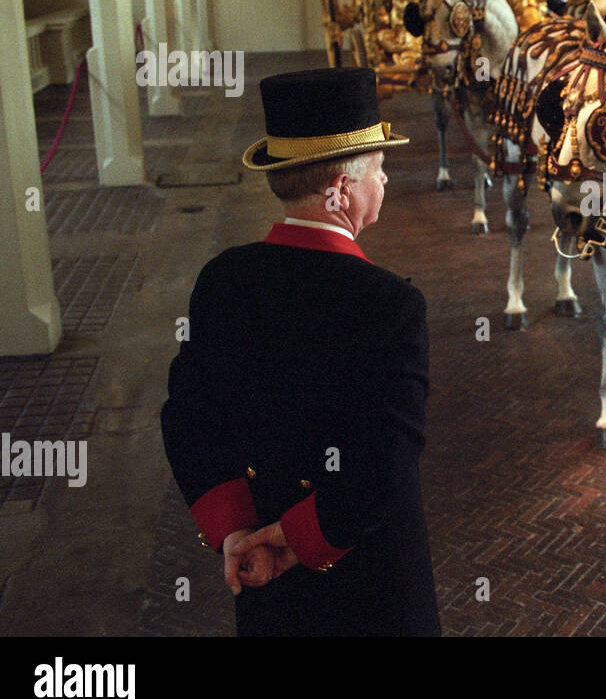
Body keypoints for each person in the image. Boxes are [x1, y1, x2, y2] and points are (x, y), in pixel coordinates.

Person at [160, 67, 440, 636]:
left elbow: (188, 415)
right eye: (378, 170)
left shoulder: (221, 281)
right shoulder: (389, 305)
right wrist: (296, 540)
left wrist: (239, 532)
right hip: (373, 584)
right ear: (340, 187)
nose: (384, 183)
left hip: (266, 582)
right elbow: (384, 459)